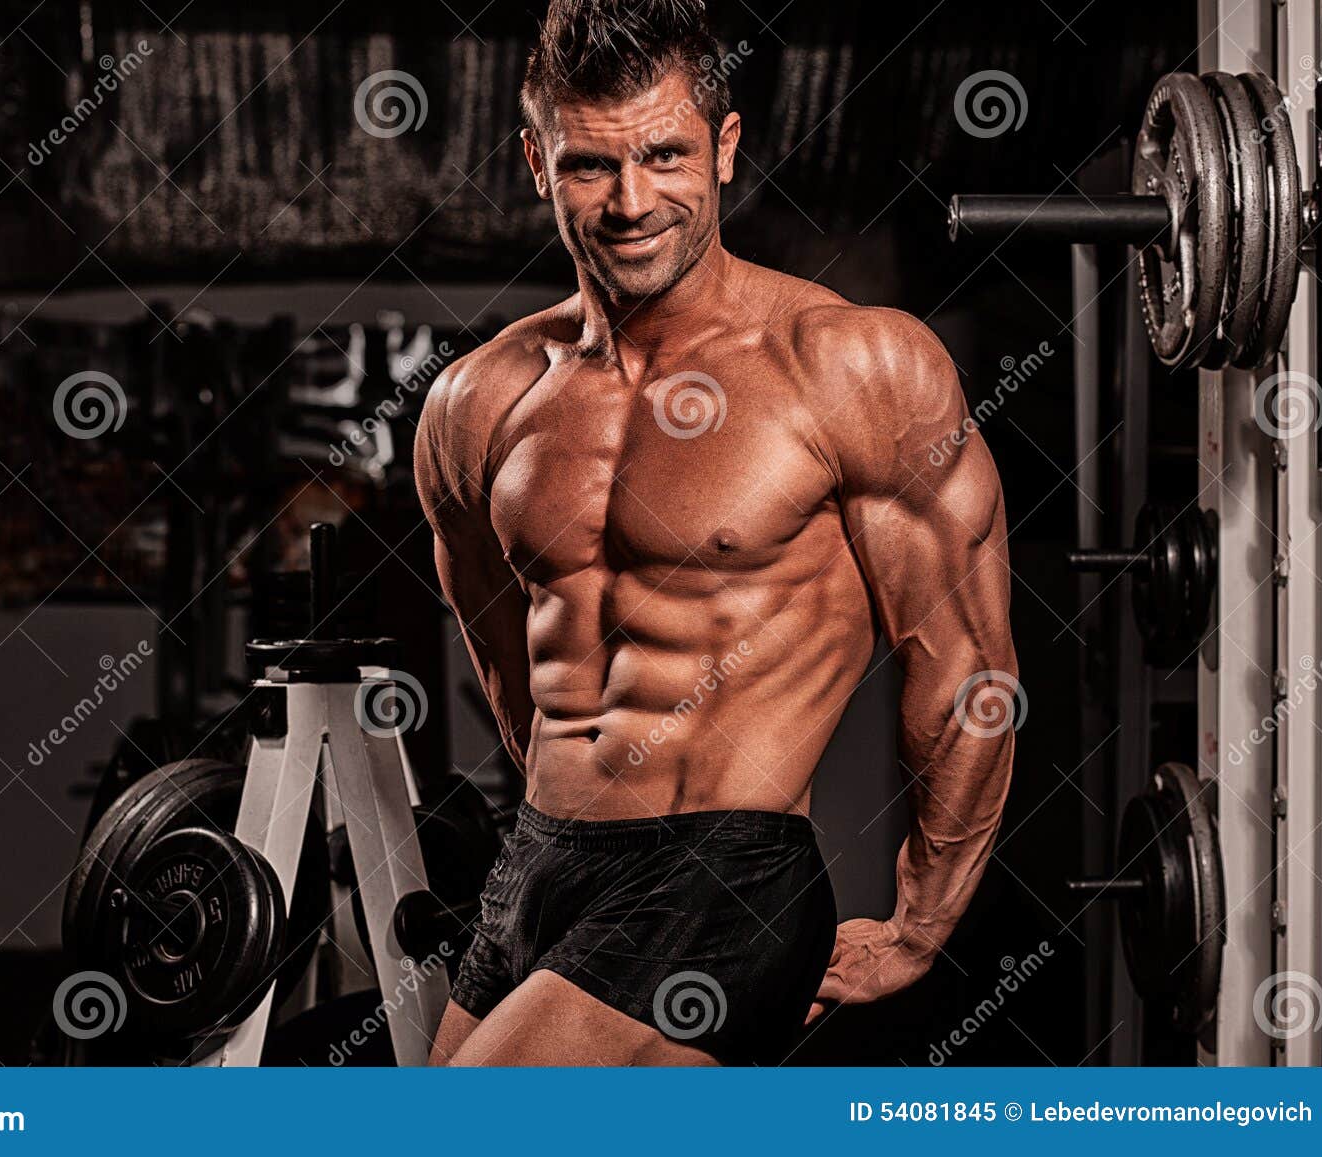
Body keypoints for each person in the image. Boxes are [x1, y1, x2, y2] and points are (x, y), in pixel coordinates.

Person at [414, 0, 1016, 1066]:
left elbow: (966, 667)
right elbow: (505, 655)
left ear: (725, 147)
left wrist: (922, 921)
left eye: (664, 154)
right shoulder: (478, 399)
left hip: (720, 875)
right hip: (538, 866)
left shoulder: (850, 366)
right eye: (591, 165)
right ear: (534, 161)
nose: (631, 201)